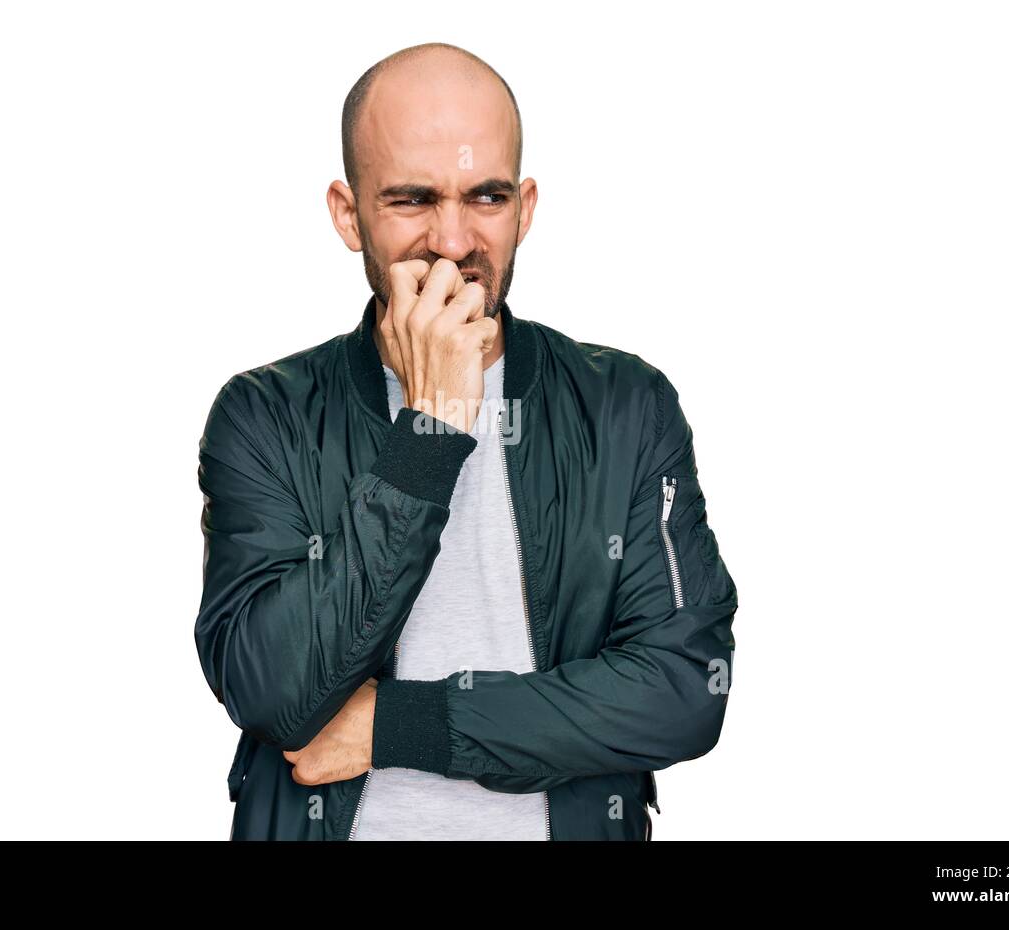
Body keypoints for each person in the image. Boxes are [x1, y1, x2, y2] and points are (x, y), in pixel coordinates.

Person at [194, 42, 738, 841]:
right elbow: (277, 692)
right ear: (349, 215)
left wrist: (398, 726)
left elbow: (685, 689)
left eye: (484, 197)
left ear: (525, 207)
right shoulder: (263, 416)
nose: (453, 242)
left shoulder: (627, 405)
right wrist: (431, 431)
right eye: (412, 200)